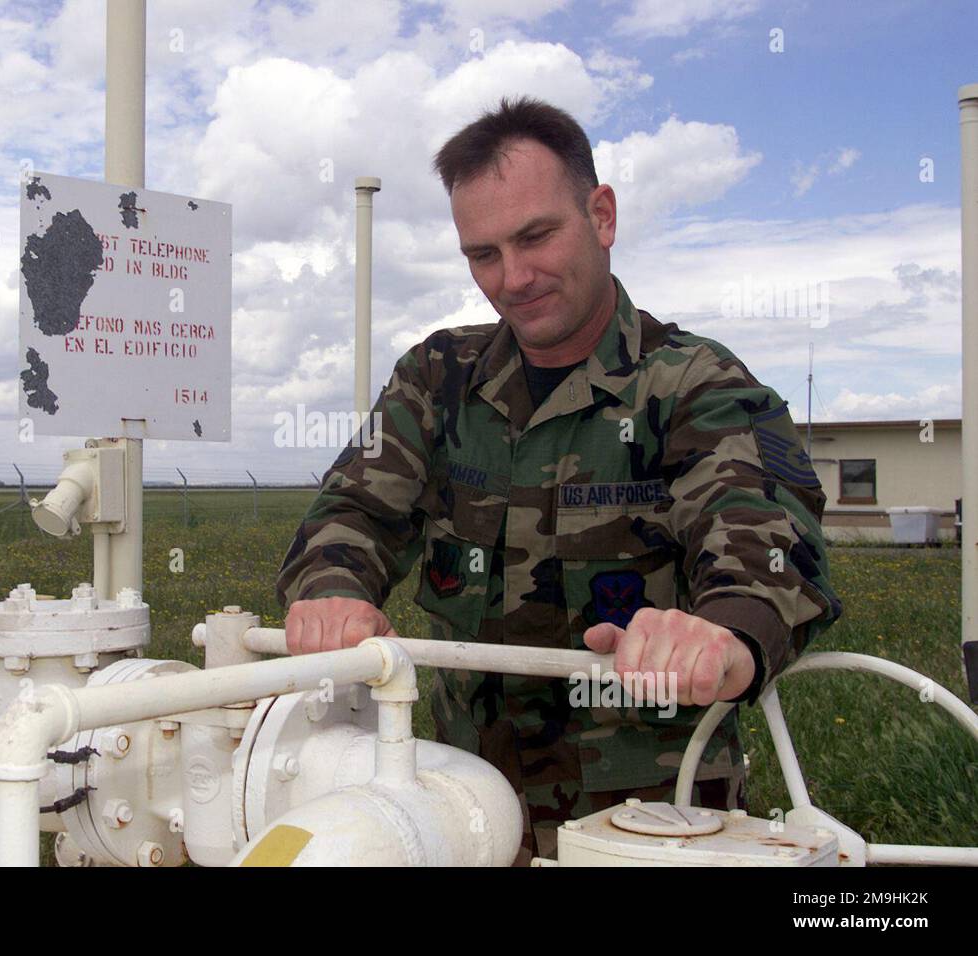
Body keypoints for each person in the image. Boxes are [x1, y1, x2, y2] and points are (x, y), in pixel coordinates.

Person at [274, 96, 842, 864]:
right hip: (459, 810)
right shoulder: (437, 379)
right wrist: (329, 594)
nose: (513, 278)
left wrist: (726, 633)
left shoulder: (693, 386)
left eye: (536, 236)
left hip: (650, 828)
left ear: (601, 215)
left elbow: (767, 535)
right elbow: (353, 511)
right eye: (483, 254)